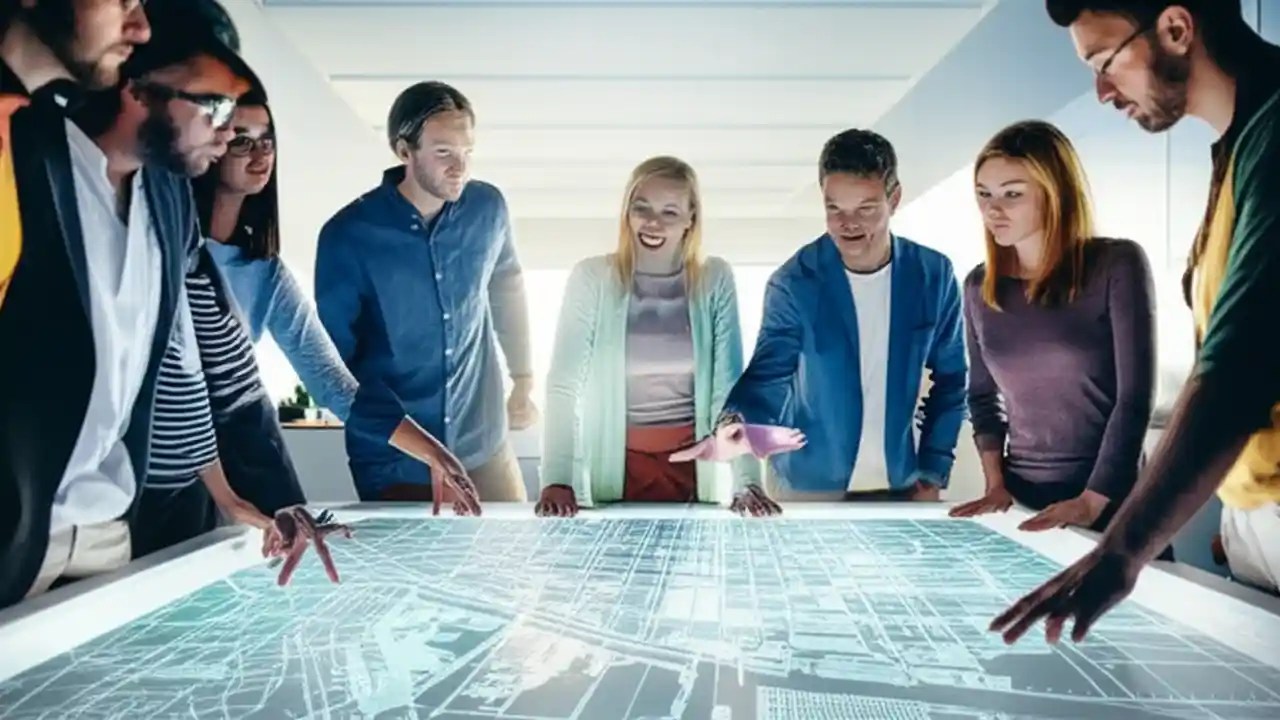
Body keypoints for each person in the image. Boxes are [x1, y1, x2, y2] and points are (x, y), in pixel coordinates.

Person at [992, 0, 1280, 645]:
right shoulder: (1240, 145)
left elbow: (1237, 370)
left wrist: (1121, 552)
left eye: (1104, 62)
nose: (1100, 91)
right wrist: (1238, 511)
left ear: (1176, 29)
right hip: (1255, 518)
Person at [0, 11, 256, 607]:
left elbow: (179, 362)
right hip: (14, 534)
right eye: (214, 104)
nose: (228, 132)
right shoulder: (27, 153)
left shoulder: (170, 201)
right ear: (138, 87)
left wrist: (223, 492)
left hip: (109, 534)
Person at [190, 90, 480, 514]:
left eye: (267, 139)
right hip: (172, 459)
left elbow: (333, 382)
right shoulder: (172, 257)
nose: (260, 152)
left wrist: (433, 453)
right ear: (209, 147)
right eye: (241, 140)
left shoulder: (266, 270)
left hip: (239, 454)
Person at [700, 128, 967, 507]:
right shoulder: (793, 282)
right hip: (807, 485)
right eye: (834, 209)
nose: (848, 224)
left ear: (894, 198)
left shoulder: (933, 275)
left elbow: (953, 379)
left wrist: (934, 470)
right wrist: (735, 422)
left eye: (866, 208)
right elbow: (769, 373)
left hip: (901, 485)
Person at [316, 81, 537, 503]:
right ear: (404, 151)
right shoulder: (347, 236)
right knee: (413, 571)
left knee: (508, 565)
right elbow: (335, 364)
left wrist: (524, 378)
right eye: (443, 153)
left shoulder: (488, 209)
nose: (460, 167)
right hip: (394, 460)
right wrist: (407, 439)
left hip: (484, 449)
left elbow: (507, 287)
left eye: (466, 152)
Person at [949, 120, 1158, 537]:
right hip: (1023, 503)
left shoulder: (1117, 265)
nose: (993, 210)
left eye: (1012, 194)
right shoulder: (979, 287)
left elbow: (1134, 399)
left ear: (1054, 193)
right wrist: (995, 484)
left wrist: (1092, 501)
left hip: (1112, 504)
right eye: (984, 194)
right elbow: (982, 397)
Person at [535, 156, 773, 517]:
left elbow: (731, 388)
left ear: (691, 219)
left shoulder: (714, 279)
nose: (652, 222)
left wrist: (747, 482)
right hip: (616, 469)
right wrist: (557, 479)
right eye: (641, 207)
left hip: (695, 469)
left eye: (669, 212)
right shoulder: (592, 278)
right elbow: (564, 385)